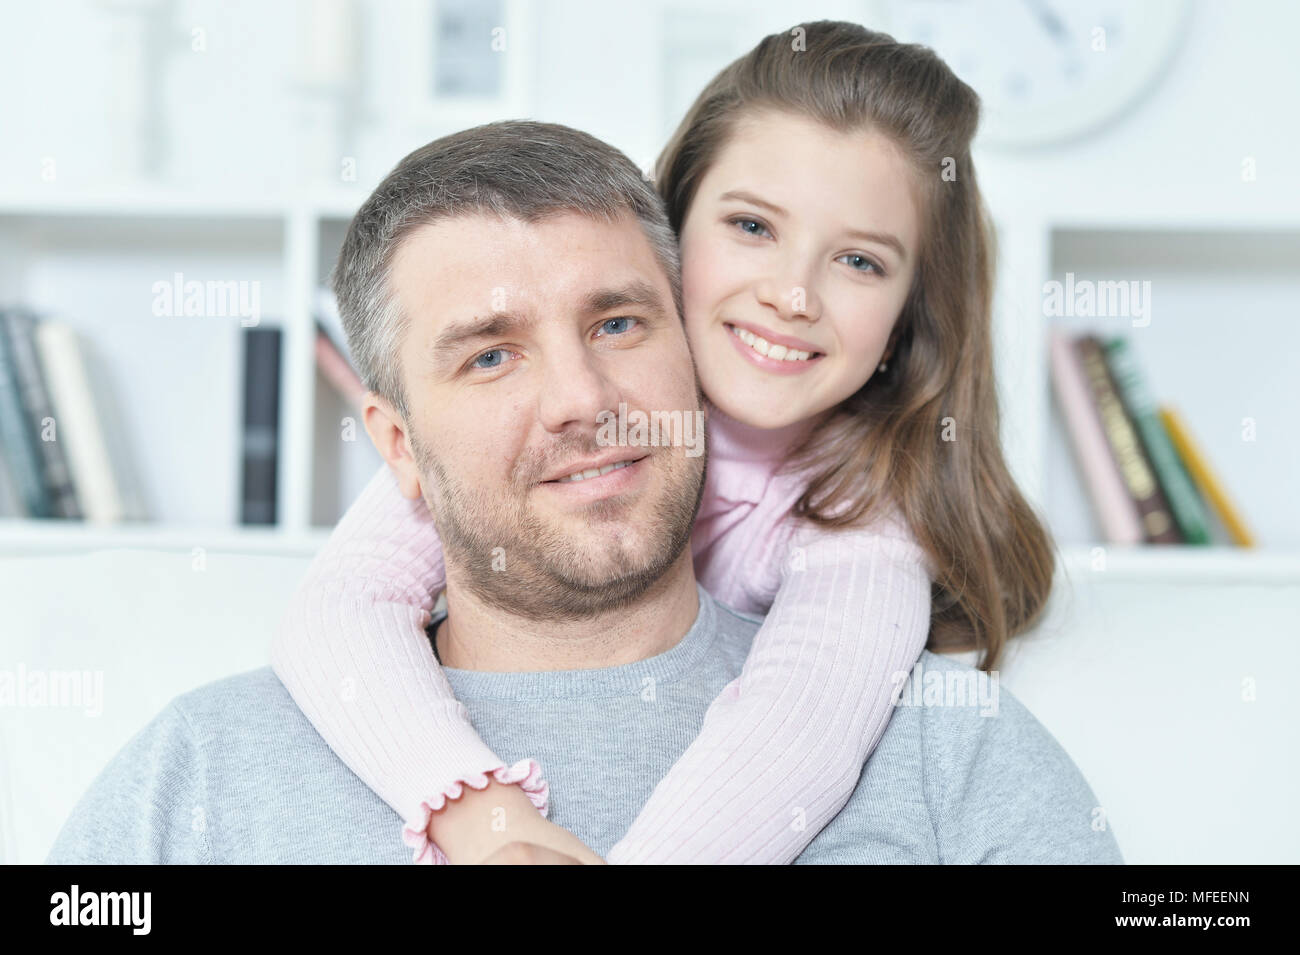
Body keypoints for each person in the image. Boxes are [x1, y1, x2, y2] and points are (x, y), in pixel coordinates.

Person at [270, 20, 1058, 865]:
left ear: (910, 320)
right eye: (753, 227)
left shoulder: (866, 518)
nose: (792, 294)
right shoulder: (553, 422)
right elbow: (337, 609)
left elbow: (797, 732)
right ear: (668, 236)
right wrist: (489, 817)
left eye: (860, 262)